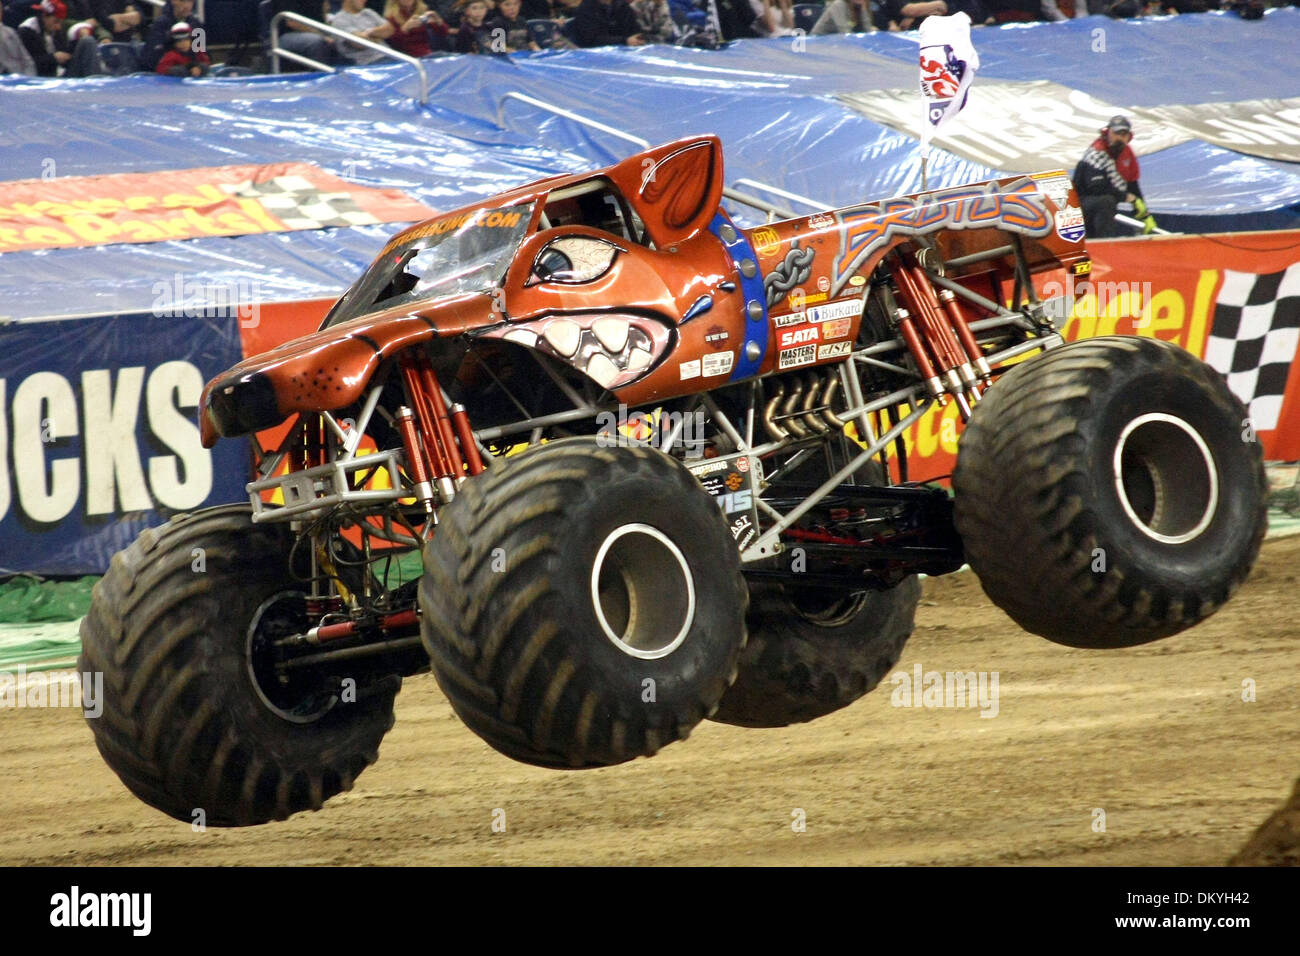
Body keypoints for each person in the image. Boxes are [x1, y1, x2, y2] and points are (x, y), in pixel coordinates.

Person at [1072, 115, 1158, 238]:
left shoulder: (1127, 154)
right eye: (1116, 133)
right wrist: (1126, 197)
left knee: (1109, 202)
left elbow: (1132, 186)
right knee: (1106, 201)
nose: (1119, 138)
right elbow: (1096, 187)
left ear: (1129, 137)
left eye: (1124, 134)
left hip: (1103, 209)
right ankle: (1105, 241)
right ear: (1108, 133)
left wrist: (1145, 215)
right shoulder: (1097, 151)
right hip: (1079, 206)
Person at [18, 0, 104, 75]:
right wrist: (53, 58)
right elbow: (26, 65)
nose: (58, 27)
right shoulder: (27, 31)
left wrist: (75, 43)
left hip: (60, 75)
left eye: (60, 22)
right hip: (42, 80)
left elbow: (65, 54)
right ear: (44, 16)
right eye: (56, 21)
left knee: (87, 41)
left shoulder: (53, 29)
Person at [140, 0, 202, 71]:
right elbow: (150, 59)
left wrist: (199, 67)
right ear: (174, 1)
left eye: (190, 2)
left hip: (192, 74)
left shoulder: (196, 24)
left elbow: (204, 54)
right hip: (164, 75)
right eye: (183, 1)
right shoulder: (160, 24)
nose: (187, 6)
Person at [329, 0, 394, 62]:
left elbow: (390, 29)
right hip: (368, 62)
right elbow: (360, 43)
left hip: (390, 55)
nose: (365, 0)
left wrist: (369, 32)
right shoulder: (339, 19)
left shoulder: (368, 12)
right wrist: (379, 36)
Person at [384, 0, 449, 56]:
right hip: (407, 57)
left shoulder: (423, 11)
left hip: (427, 53)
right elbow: (394, 44)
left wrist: (438, 21)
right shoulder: (391, 17)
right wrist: (405, 29)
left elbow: (443, 33)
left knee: (454, 57)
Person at [572, 0, 642, 46]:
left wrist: (637, 37)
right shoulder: (585, 9)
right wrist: (624, 41)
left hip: (627, 48)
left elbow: (633, 28)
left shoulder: (622, 5)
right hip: (598, 54)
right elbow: (591, 39)